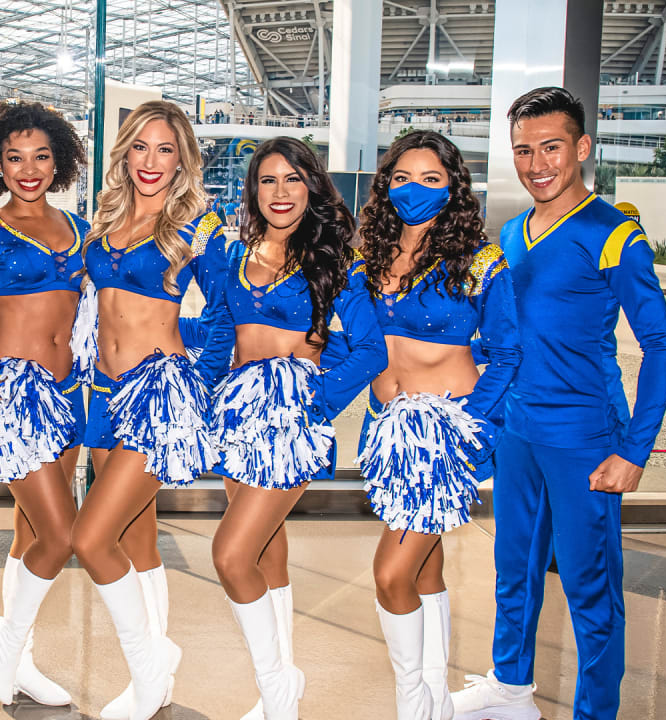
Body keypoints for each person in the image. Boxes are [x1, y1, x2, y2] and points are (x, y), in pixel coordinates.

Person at [453, 87, 666, 720]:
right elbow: (502, 335)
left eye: (551, 147)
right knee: (513, 569)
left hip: (584, 434)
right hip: (518, 432)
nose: (537, 163)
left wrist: (634, 450)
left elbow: (662, 347)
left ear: (581, 147)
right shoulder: (512, 233)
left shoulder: (614, 234)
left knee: (590, 589)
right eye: (523, 150)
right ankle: (510, 688)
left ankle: (594, 712)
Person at [208, 137, 387, 720]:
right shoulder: (233, 255)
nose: (279, 192)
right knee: (265, 552)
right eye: (267, 180)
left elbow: (370, 351)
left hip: (290, 425)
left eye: (292, 179)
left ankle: (278, 687)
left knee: (231, 555)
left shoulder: (336, 260)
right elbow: (216, 332)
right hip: (236, 419)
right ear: (252, 189)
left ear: (312, 185)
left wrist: (313, 401)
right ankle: (277, 692)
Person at [71, 100, 232, 720]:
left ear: (183, 157)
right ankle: (155, 679)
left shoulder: (201, 225)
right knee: (137, 537)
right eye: (140, 147)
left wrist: (195, 384)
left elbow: (223, 313)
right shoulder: (107, 214)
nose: (151, 161)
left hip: (153, 400)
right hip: (100, 393)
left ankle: (148, 667)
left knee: (92, 536)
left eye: (165, 149)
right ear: (124, 152)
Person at [356, 130, 521, 720]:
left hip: (444, 436)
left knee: (389, 572)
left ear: (453, 187)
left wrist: (468, 428)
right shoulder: (368, 256)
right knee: (424, 566)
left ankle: (414, 708)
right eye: (403, 178)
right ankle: (437, 703)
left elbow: (507, 351)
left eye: (432, 178)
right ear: (386, 184)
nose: (415, 189)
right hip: (390, 432)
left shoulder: (480, 259)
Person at [0, 100, 90, 708]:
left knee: (29, 527)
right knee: (62, 534)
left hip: (68, 393)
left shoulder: (81, 228)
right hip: (14, 397)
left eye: (40, 157)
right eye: (14, 158)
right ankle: (6, 643)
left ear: (58, 161)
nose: (28, 169)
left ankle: (18, 651)